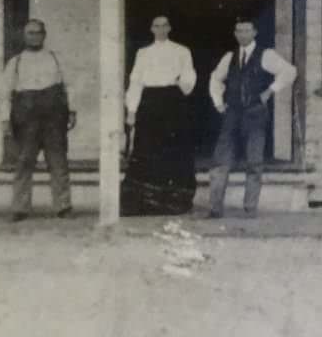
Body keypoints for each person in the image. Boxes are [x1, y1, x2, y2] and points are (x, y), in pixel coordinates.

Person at [205, 19, 298, 219]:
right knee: (221, 160)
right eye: (238, 31)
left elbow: (290, 71)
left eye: (246, 30)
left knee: (254, 162)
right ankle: (215, 208)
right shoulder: (229, 57)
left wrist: (270, 91)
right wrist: (218, 102)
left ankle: (250, 208)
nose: (242, 34)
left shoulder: (266, 55)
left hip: (255, 114)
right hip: (232, 114)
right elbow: (215, 78)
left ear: (254, 32)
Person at [0, 18, 74, 221]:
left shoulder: (55, 59)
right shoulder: (15, 62)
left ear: (44, 35)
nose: (34, 36)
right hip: (26, 117)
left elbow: (68, 86)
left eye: (38, 32)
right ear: (24, 36)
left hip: (53, 117)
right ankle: (20, 207)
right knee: (24, 161)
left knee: (58, 161)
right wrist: (5, 120)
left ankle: (63, 206)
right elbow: (4, 93)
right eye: (30, 33)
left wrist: (72, 110)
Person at [123, 15, 197, 216]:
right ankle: (145, 202)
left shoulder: (181, 51)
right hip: (149, 102)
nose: (161, 29)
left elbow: (189, 78)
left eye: (164, 25)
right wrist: (131, 111)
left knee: (173, 149)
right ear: (151, 29)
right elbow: (136, 81)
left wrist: (180, 84)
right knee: (146, 148)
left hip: (172, 101)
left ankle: (174, 202)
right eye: (156, 26)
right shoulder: (143, 53)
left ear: (170, 28)